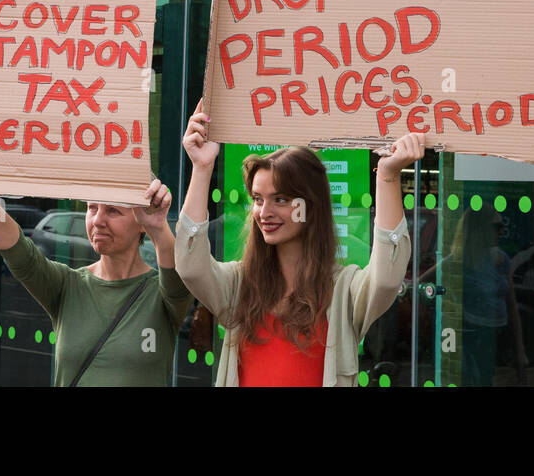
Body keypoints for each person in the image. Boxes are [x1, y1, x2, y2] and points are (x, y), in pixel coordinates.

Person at [176, 102, 426, 386]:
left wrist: (388, 176)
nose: (264, 212)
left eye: (280, 199)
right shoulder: (239, 285)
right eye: (258, 199)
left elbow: (386, 279)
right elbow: (191, 266)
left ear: (310, 207)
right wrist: (202, 166)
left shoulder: (343, 290)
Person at [0, 130, 191, 386]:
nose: (98, 220)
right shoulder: (67, 286)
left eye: (113, 210)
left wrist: (158, 226)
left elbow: (176, 271)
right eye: (92, 208)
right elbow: (16, 248)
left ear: (141, 222)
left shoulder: (162, 294)